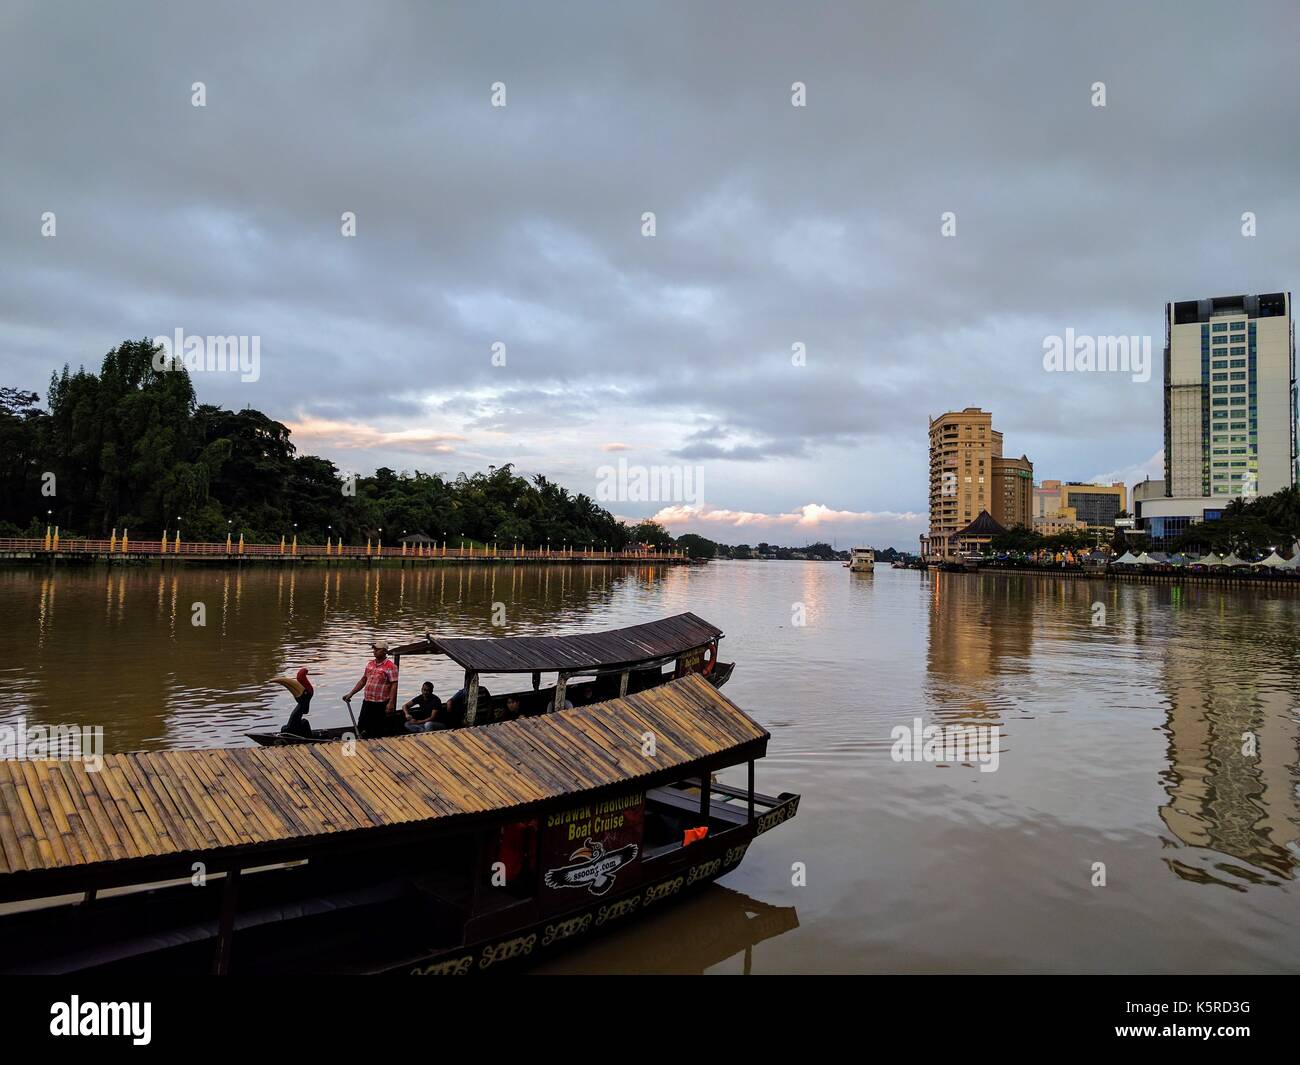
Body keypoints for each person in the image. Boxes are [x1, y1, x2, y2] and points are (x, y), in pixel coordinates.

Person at [344, 640, 399, 738]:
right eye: (374, 649)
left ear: (384, 651)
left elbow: (394, 685)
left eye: (377, 650)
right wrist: (351, 693)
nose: (374, 651)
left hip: (381, 703)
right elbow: (363, 680)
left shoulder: (391, 666)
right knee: (362, 724)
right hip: (368, 700)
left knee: (377, 728)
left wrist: (391, 703)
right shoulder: (370, 664)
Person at [273, 668, 315, 738]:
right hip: (292, 729)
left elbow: (305, 710)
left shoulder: (303, 704)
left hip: (293, 730)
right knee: (286, 728)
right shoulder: (301, 706)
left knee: (303, 723)